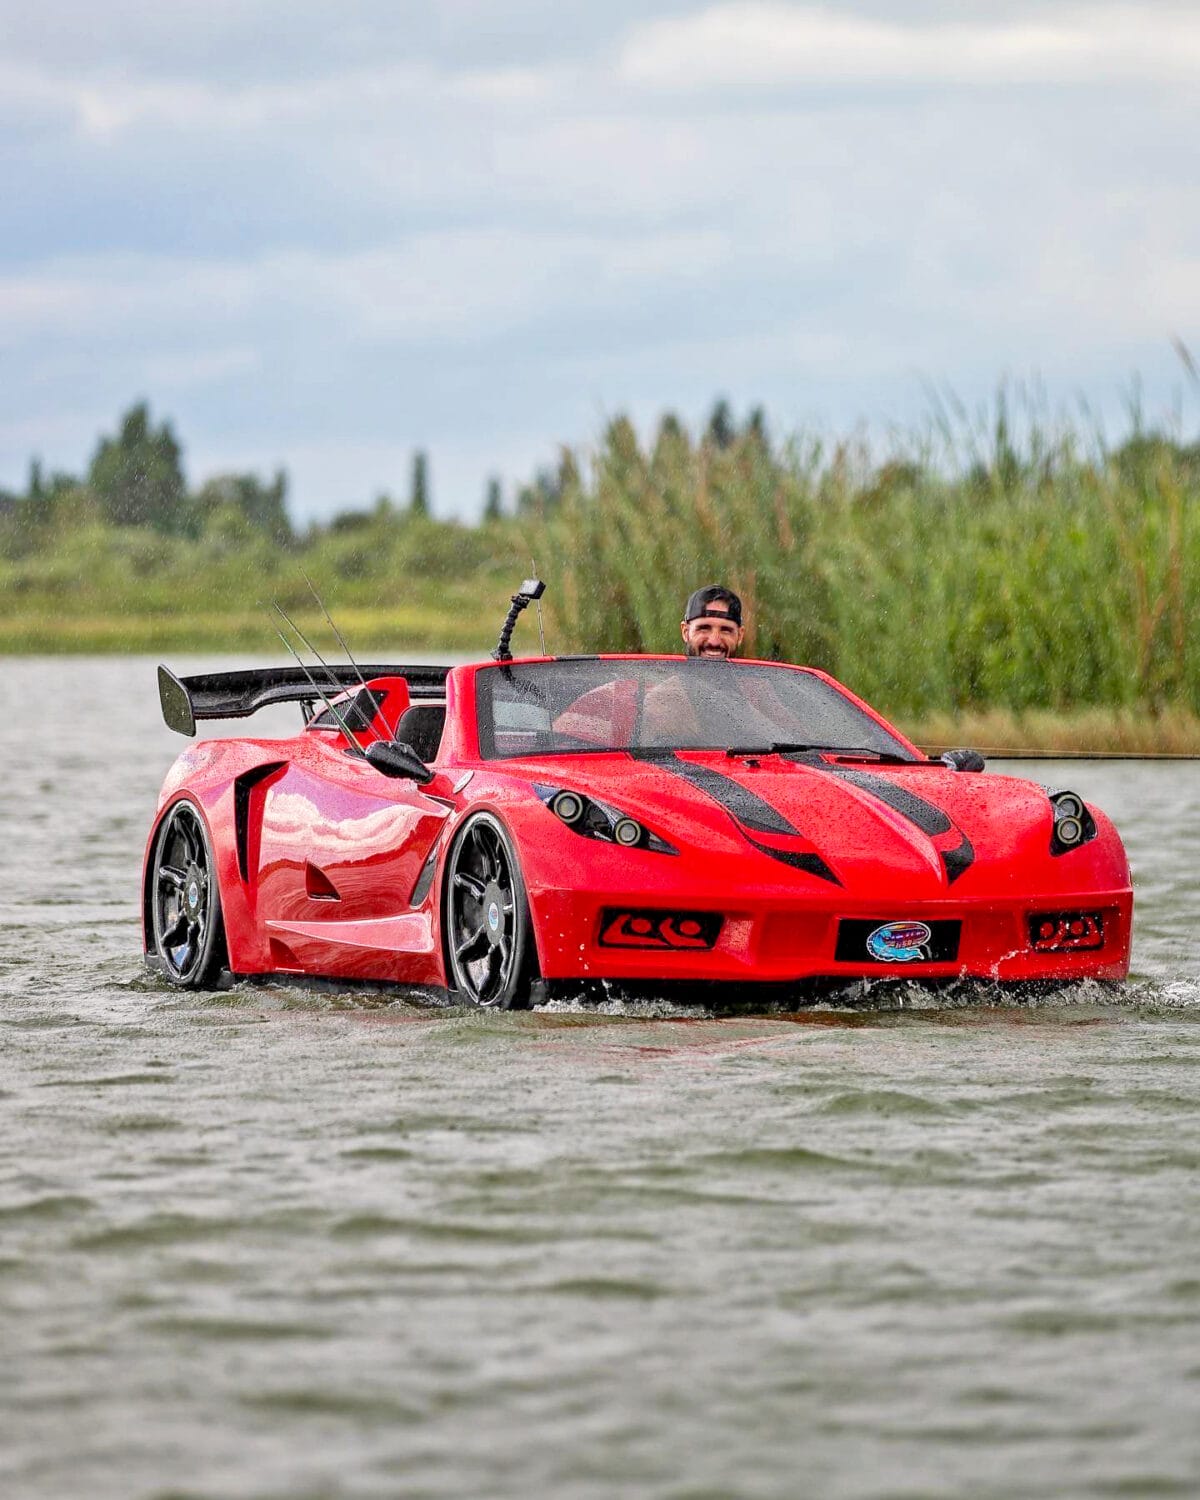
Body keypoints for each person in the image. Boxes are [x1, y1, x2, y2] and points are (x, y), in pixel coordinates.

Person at [680, 585, 745, 659]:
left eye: (725, 630)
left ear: (740, 636)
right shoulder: (665, 669)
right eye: (704, 628)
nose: (714, 642)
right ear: (685, 632)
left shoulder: (758, 670)